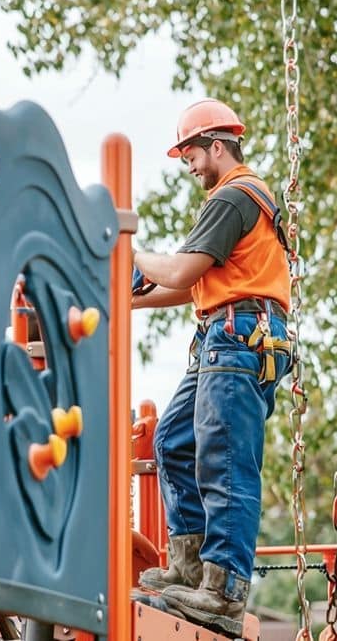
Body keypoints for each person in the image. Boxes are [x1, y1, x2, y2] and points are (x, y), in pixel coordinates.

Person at [133, 99, 293, 637]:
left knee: (224, 463)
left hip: (239, 338)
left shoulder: (234, 195)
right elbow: (187, 284)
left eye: (192, 157)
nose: (191, 168)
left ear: (216, 146)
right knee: (174, 440)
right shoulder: (238, 200)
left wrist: (128, 250)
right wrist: (125, 298)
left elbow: (177, 268)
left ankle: (223, 592)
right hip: (221, 337)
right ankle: (192, 564)